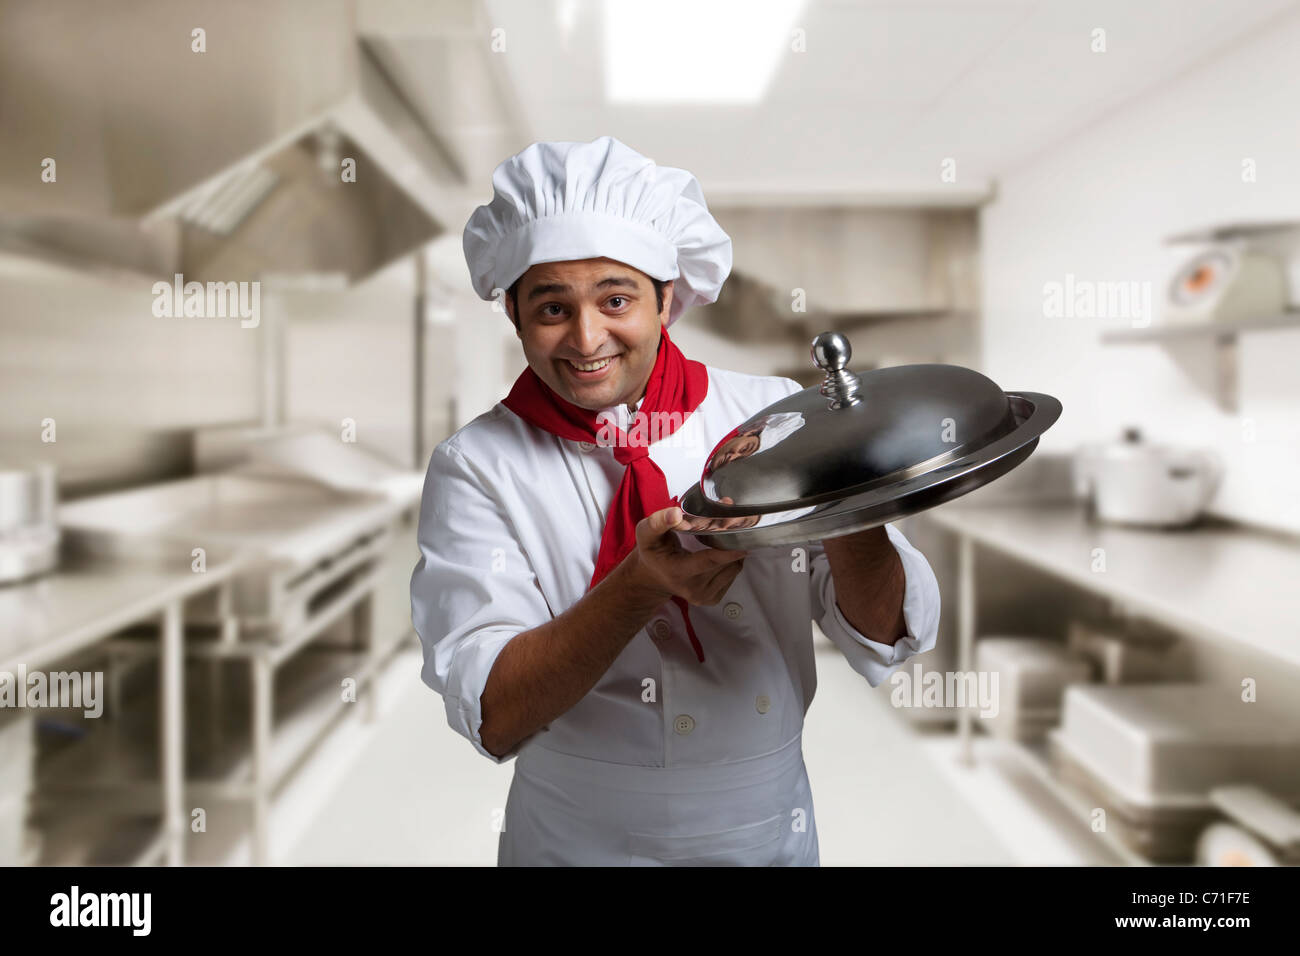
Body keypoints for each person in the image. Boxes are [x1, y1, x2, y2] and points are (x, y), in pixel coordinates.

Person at [410, 135, 942, 866]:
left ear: (667, 298)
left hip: (765, 826)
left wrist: (847, 495)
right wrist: (637, 587)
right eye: (552, 308)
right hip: (575, 836)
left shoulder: (776, 416)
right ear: (513, 314)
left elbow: (886, 631)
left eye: (616, 299)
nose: (587, 337)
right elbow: (496, 714)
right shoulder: (477, 466)